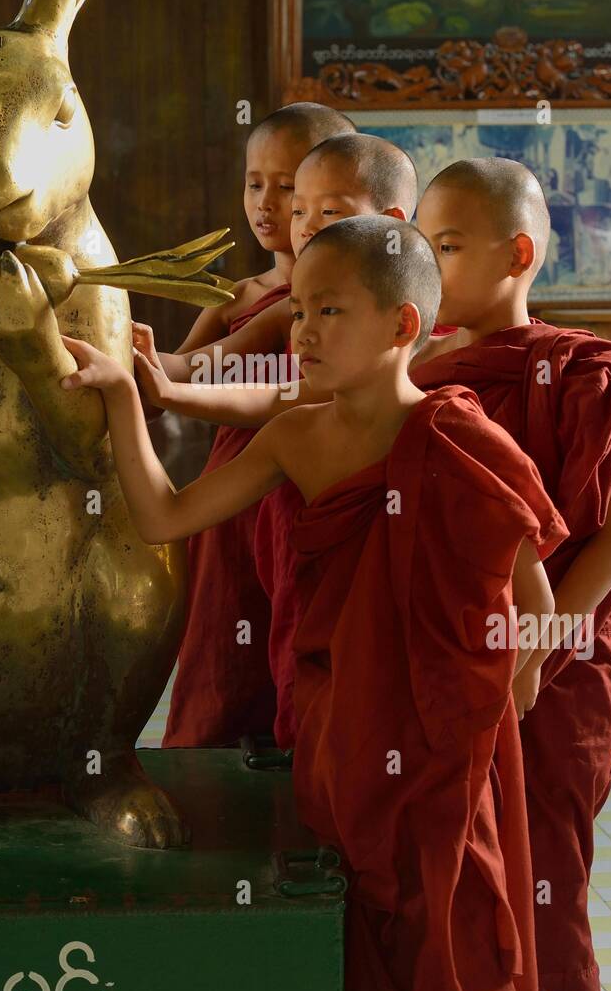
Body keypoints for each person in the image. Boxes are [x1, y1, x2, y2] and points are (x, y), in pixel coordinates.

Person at [60, 216, 568, 991]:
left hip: (449, 739)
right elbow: (164, 516)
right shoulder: (296, 435)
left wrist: (491, 706)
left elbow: (537, 603)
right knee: (358, 919)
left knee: (450, 929)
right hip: (342, 731)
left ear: (403, 325)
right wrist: (126, 395)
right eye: (298, 311)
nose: (302, 331)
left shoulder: (461, 437)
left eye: (329, 312)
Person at [412, 156, 611, 991]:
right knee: (459, 874)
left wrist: (537, 649)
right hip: (451, 670)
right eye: (420, 244)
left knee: (547, 873)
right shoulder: (420, 369)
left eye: (445, 246)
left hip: (556, 673)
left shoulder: (580, 372)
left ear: (517, 252)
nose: (427, 263)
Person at [135, 132, 418, 748]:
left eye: (314, 202)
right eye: (295, 208)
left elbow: (286, 397)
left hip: (350, 518)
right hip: (249, 506)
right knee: (242, 674)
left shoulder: (419, 330)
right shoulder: (270, 308)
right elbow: (212, 375)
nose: (293, 219)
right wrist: (129, 360)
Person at [155, 101, 355, 748]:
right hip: (232, 509)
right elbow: (169, 383)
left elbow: (188, 378)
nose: (269, 204)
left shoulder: (308, 311)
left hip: (304, 494)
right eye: (255, 182)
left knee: (299, 662)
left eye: (292, 188)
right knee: (226, 663)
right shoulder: (237, 297)